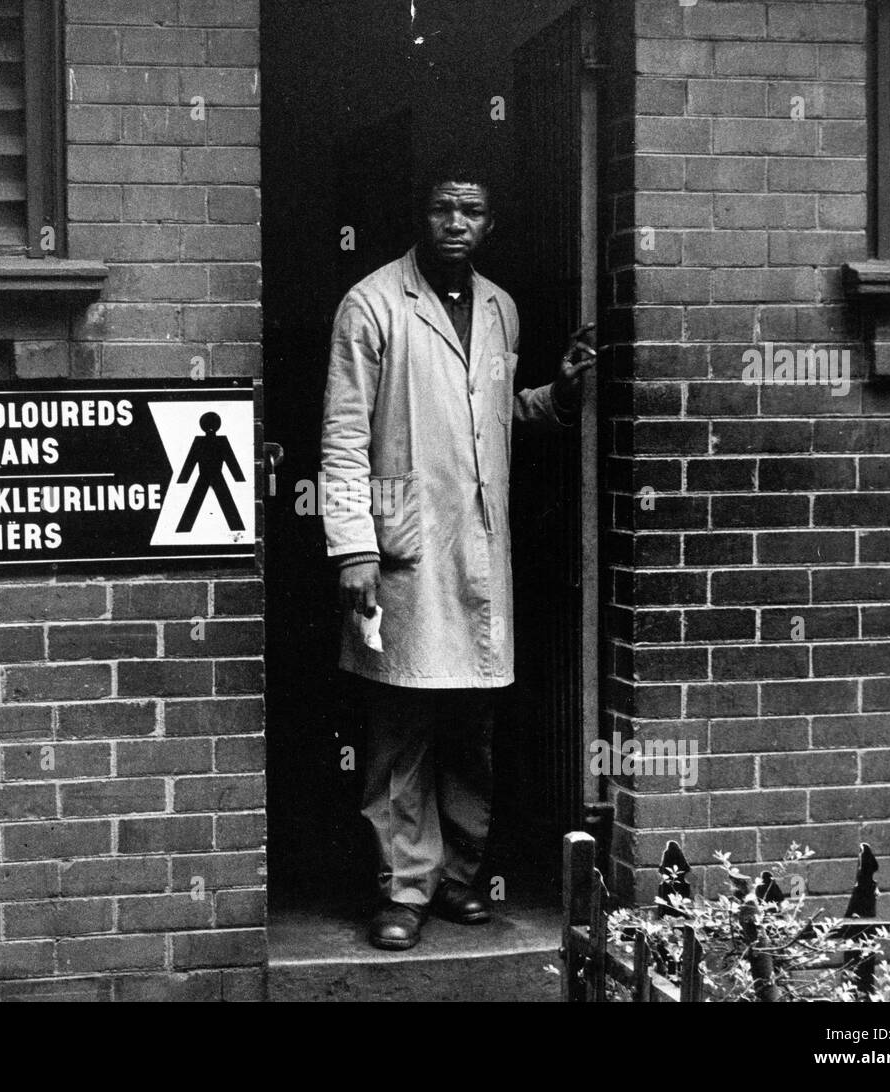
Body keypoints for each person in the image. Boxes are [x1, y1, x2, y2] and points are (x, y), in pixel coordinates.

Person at [320, 163, 598, 950]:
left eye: (471, 211)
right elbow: (343, 437)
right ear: (420, 214)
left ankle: (458, 879)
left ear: (489, 223)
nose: (455, 222)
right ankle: (402, 889)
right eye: (441, 207)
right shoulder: (371, 304)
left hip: (476, 546)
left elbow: (492, 417)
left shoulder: (501, 308)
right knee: (401, 723)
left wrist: (562, 394)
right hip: (402, 542)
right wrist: (352, 548)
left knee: (471, 726)